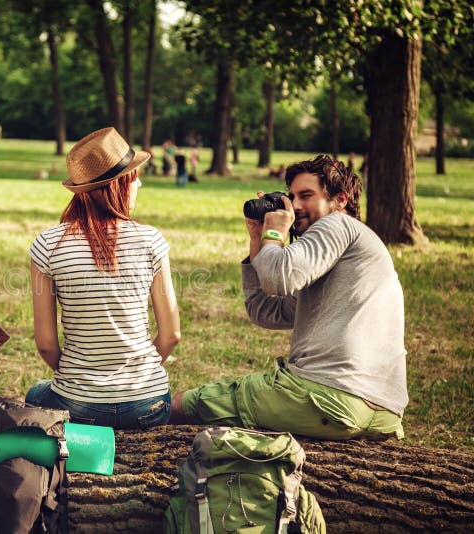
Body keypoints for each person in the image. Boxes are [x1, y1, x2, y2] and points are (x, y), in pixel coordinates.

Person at [170, 154, 407, 441]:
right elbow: (266, 311)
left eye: (306, 195)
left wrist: (275, 233)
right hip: (382, 412)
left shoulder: (337, 225)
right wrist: (258, 239)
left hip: (327, 395)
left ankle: (125, 425)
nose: (294, 206)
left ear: (340, 200)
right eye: (291, 196)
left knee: (191, 402)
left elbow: (278, 278)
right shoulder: (344, 254)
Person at [25, 127, 181, 429]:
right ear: (123, 183)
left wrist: (82, 381)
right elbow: (171, 335)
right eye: (135, 177)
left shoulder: (47, 244)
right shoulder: (151, 240)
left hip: (79, 407)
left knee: (36, 393)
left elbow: (45, 343)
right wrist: (135, 379)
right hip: (148, 406)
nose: (140, 183)